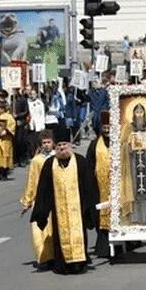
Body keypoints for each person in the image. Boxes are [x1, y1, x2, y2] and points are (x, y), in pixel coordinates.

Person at [30, 126, 99, 275]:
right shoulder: (50, 165)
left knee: (78, 234)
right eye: (59, 146)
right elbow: (44, 190)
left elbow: (89, 187)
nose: (62, 148)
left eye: (64, 145)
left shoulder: (80, 162)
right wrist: (41, 213)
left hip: (78, 209)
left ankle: (79, 263)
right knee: (59, 237)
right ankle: (62, 265)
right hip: (58, 210)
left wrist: (90, 209)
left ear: (70, 145)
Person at [21, 130, 55, 269]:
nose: (46, 145)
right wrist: (27, 201)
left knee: (53, 230)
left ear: (53, 143)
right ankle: (43, 257)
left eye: (49, 142)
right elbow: (32, 180)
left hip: (54, 198)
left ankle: (55, 256)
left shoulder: (57, 157)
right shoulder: (36, 161)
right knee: (39, 230)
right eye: (44, 143)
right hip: (40, 199)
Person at [121, 103, 146, 224]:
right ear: (133, 114)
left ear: (145, 114)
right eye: (137, 112)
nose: (139, 114)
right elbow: (122, 144)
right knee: (135, 189)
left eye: (141, 112)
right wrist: (129, 144)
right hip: (133, 161)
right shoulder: (129, 128)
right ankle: (135, 217)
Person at [85, 112, 113, 257]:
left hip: (116, 186)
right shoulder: (95, 144)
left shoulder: (119, 141)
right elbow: (89, 166)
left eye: (109, 126)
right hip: (99, 187)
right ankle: (103, 244)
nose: (107, 129)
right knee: (99, 214)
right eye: (105, 126)